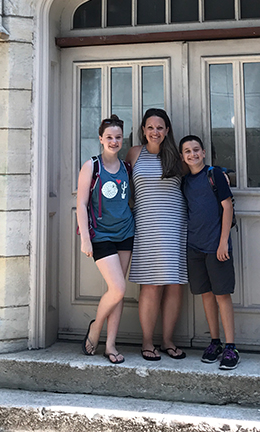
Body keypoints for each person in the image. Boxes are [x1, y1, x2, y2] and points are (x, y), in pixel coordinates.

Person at [126, 108, 188, 361]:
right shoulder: (134, 153)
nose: (155, 132)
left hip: (175, 225)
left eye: (160, 127)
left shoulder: (176, 156)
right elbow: (123, 187)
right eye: (150, 127)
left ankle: (168, 341)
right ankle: (147, 342)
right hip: (146, 226)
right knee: (150, 285)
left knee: (174, 284)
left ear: (167, 130)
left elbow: (197, 174)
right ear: (143, 130)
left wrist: (223, 176)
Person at [76, 115, 134, 364]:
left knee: (117, 293)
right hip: (101, 236)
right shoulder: (92, 166)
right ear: (101, 139)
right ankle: (96, 327)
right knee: (118, 288)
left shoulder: (126, 167)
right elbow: (81, 203)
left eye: (118, 137)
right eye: (109, 137)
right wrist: (85, 239)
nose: (114, 141)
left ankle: (110, 345)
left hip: (126, 233)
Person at [179, 134, 240, 370]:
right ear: (182, 157)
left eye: (196, 150)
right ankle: (215, 341)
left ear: (203, 152)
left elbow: (227, 207)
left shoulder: (214, 175)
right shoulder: (185, 182)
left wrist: (223, 242)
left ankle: (231, 346)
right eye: (187, 151)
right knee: (205, 295)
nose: (192, 154)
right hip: (194, 247)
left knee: (222, 295)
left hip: (217, 247)